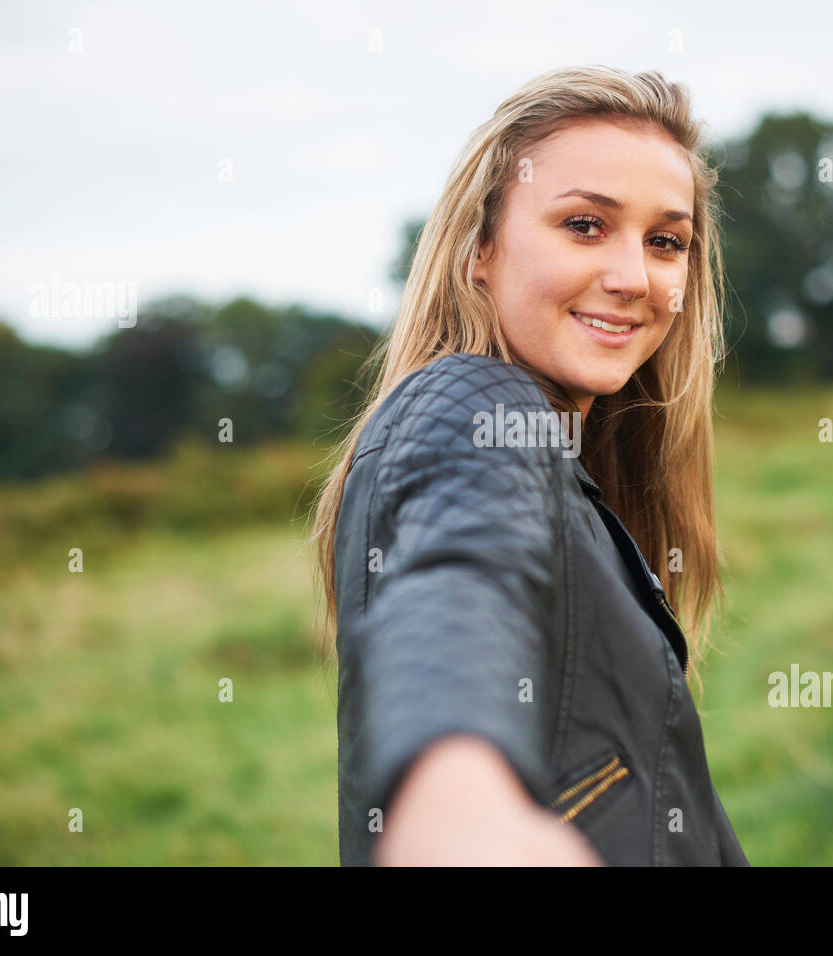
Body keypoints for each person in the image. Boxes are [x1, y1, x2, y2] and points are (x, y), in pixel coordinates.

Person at [308, 64, 748, 866]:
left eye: (665, 242)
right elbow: (462, 574)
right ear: (480, 251)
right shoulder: (470, 401)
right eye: (585, 225)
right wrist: (457, 795)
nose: (631, 278)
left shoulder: (575, 471)